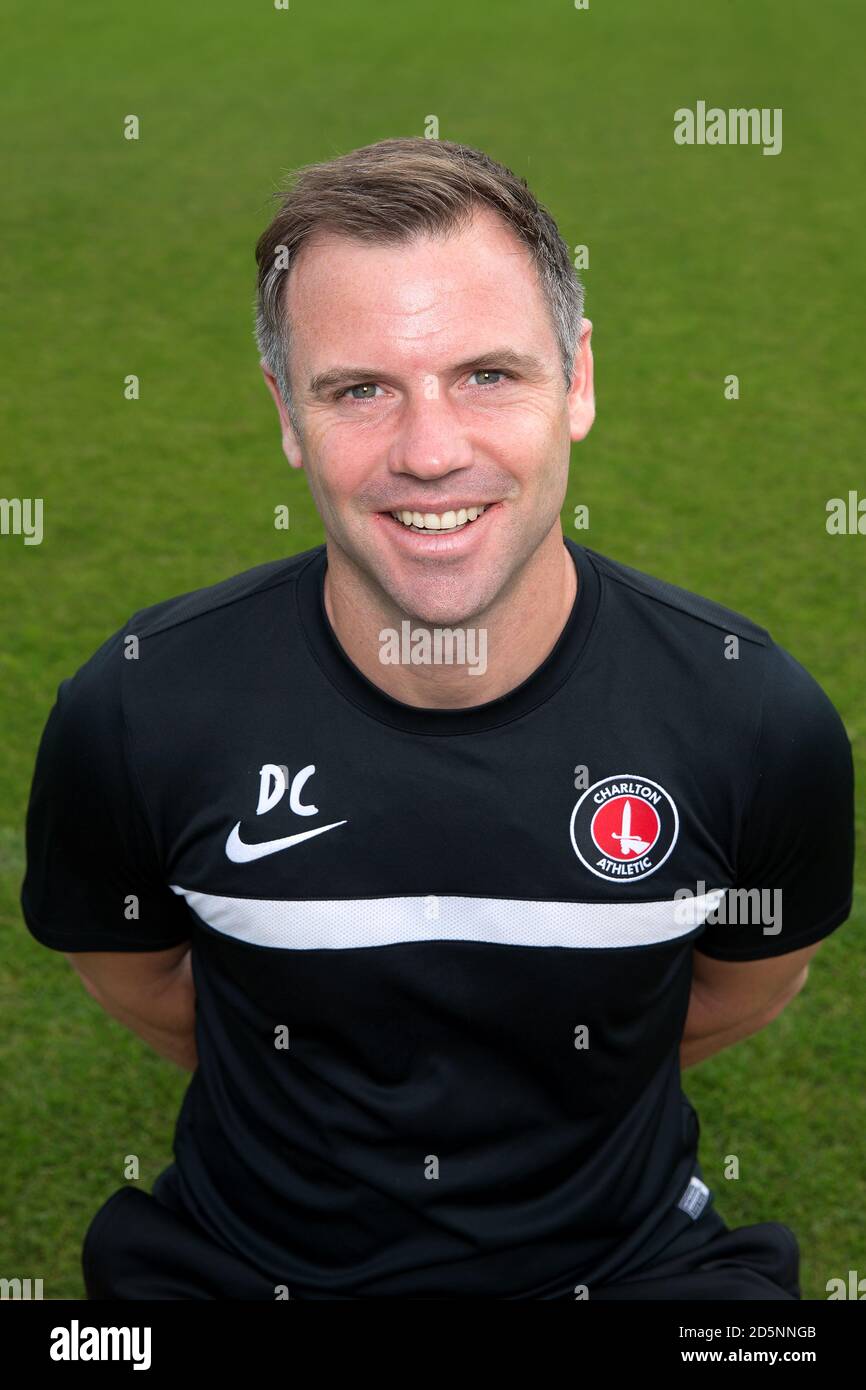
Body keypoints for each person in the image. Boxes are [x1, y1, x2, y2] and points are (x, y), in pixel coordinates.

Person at [21, 138, 854, 1300]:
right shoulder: (137, 705)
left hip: (632, 1272)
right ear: (286, 415)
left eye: (487, 375)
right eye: (359, 388)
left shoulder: (754, 717)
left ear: (579, 380)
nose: (429, 452)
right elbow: (133, 973)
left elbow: (739, 989)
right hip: (232, 1268)